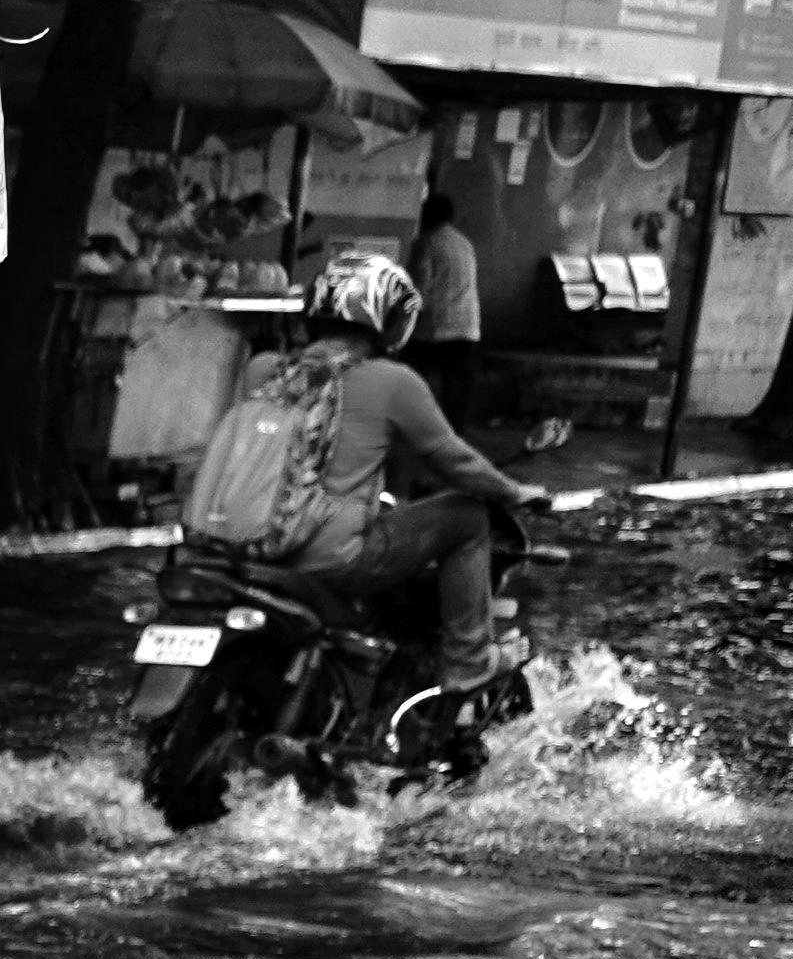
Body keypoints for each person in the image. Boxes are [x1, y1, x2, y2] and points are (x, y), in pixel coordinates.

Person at [200, 245, 549, 696]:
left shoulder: (263, 369)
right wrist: (514, 492)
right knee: (468, 517)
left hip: (235, 549)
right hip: (331, 558)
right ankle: (469, 660)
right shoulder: (393, 382)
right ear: (387, 320)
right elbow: (457, 463)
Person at [407, 186, 485, 427]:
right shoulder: (464, 244)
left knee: (411, 375)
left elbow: (420, 290)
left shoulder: (427, 243)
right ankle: (454, 433)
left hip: (437, 329)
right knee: (457, 388)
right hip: (468, 327)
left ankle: (412, 425)